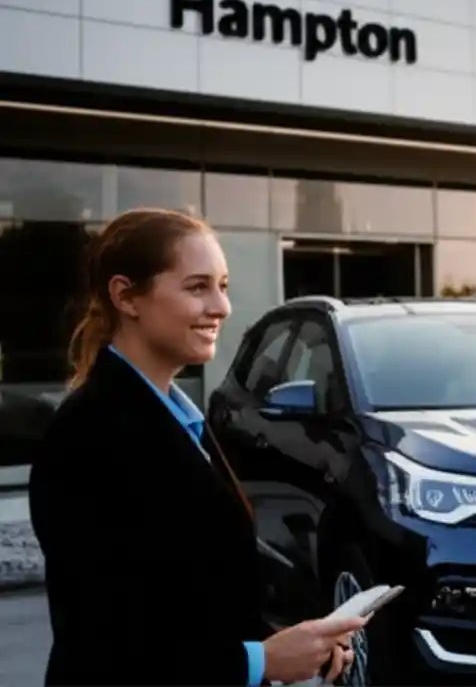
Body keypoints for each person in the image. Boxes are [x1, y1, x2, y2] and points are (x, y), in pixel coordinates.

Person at [28, 208, 366, 686]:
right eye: (197, 287)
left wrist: (293, 641)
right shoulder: (87, 436)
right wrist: (258, 662)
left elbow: (189, 599)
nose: (222, 307)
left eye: (223, 285)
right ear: (126, 296)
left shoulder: (182, 420)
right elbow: (104, 646)